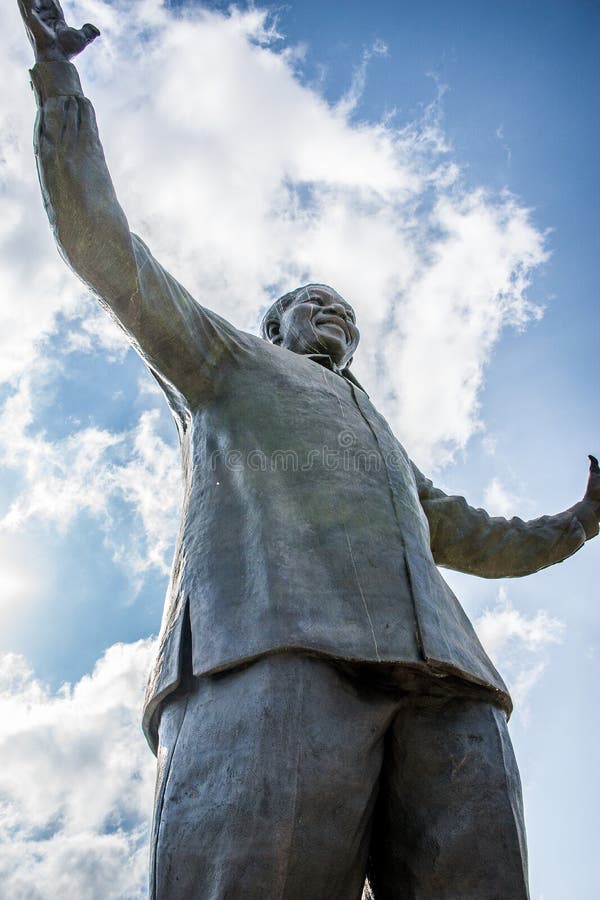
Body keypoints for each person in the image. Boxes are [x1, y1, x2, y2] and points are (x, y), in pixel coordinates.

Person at [17, 3, 600, 898]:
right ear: (273, 323)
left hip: (447, 674)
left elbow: (479, 536)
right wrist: (61, 85)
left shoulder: (385, 442)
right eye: (315, 301)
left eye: (349, 316)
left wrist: (581, 521)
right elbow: (106, 250)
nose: (336, 314)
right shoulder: (223, 361)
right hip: (272, 648)